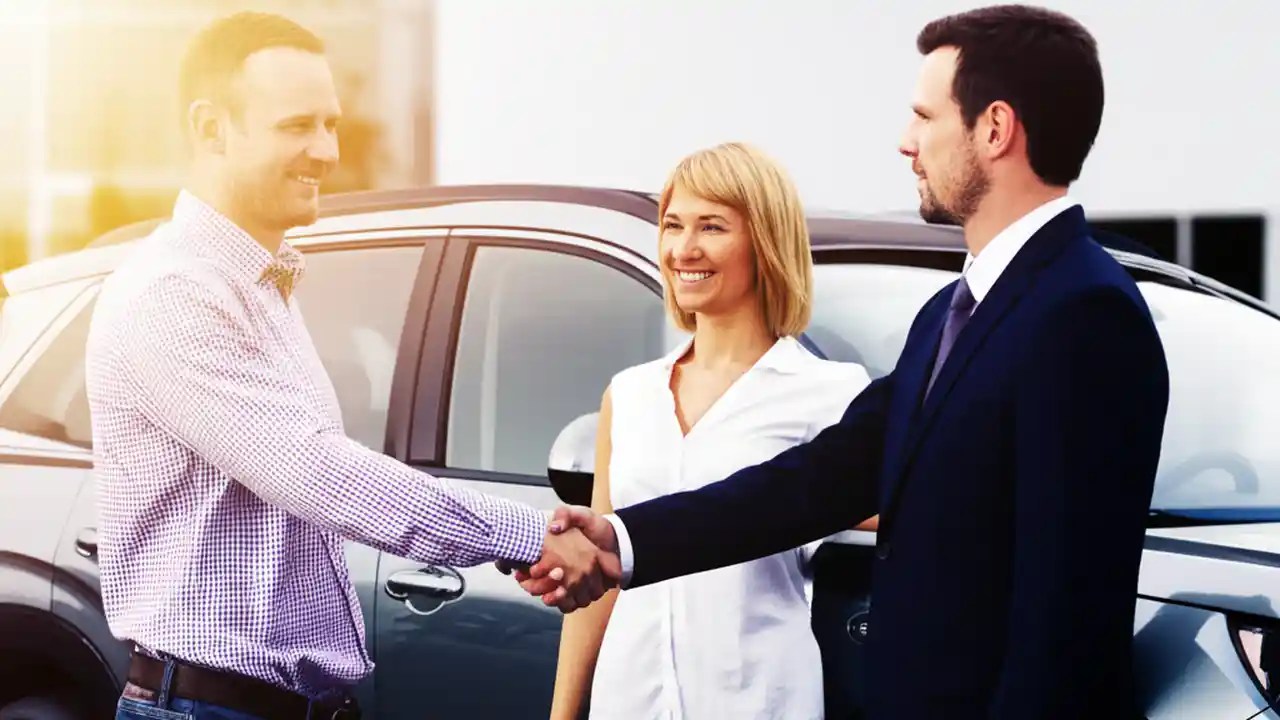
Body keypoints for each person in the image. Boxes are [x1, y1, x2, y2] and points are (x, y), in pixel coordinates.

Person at [521, 5, 1170, 719]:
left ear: (994, 128)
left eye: (925, 117)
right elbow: (815, 481)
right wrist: (621, 539)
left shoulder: (1083, 312)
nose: (905, 143)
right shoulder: (949, 316)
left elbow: (1067, 613)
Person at [85, 12, 611, 720]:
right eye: (298, 125)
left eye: (332, 124)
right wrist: (526, 534)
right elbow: (317, 472)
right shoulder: (174, 296)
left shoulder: (265, 285)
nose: (327, 150)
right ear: (211, 130)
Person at [549, 143, 870, 720]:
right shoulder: (628, 395)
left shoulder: (831, 394)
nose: (682, 249)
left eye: (712, 226)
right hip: (631, 702)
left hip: (759, 702)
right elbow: (599, 579)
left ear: (765, 241)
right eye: (673, 225)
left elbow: (909, 512)